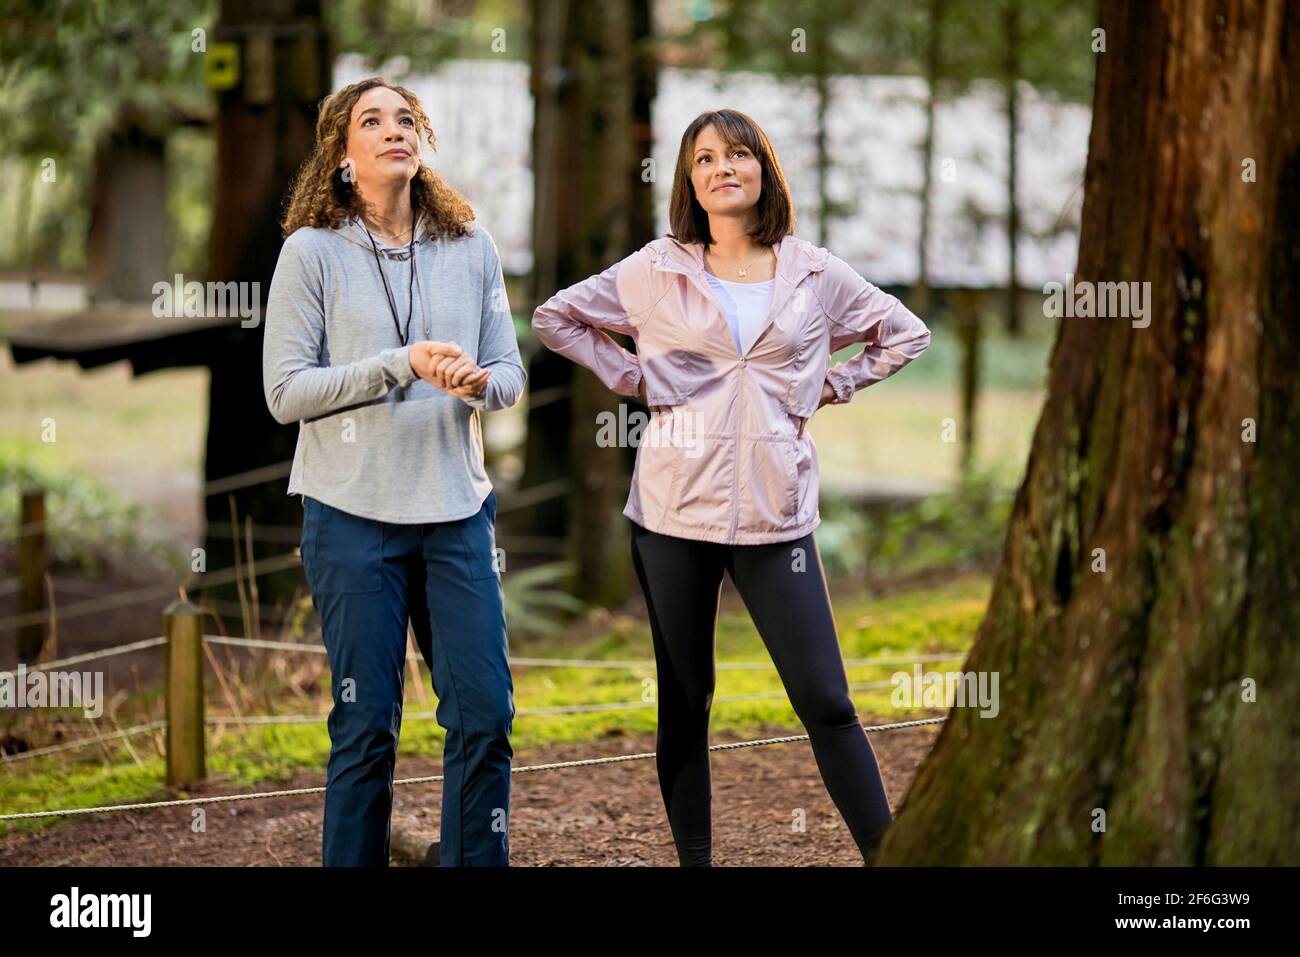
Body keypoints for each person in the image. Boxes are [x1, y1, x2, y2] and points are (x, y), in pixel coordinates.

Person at [531, 108, 931, 865]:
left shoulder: (814, 271)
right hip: (673, 512)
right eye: (705, 158)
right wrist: (632, 376)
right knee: (686, 701)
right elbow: (557, 318)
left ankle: (889, 856)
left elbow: (906, 332)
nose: (723, 168)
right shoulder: (657, 269)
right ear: (690, 180)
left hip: (778, 515)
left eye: (739, 154)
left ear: (763, 169)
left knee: (827, 700)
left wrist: (830, 386)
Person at [263, 76, 526, 867]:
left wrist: (477, 383)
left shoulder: (471, 246)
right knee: (367, 726)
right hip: (351, 518)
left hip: (456, 514)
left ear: (422, 141)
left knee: (485, 714)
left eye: (405, 118)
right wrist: (398, 364)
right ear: (342, 155)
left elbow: (510, 374)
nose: (393, 129)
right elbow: (285, 393)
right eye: (372, 120)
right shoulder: (311, 253)